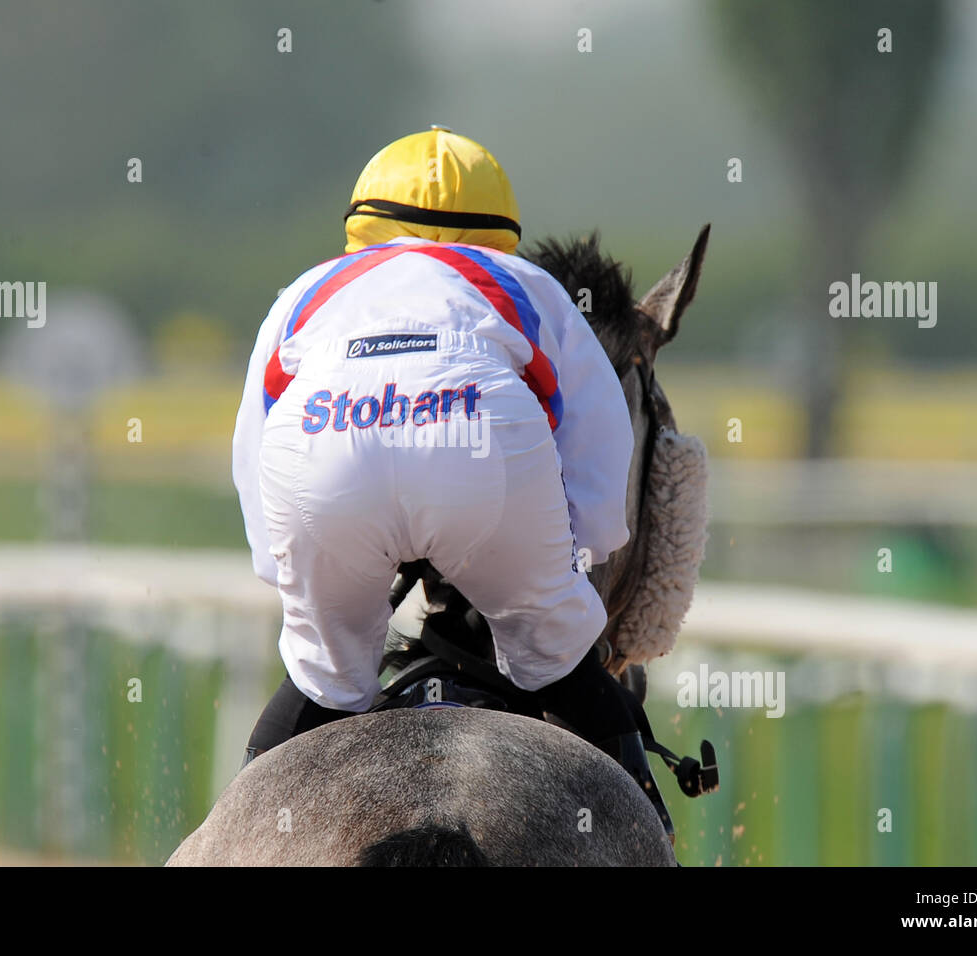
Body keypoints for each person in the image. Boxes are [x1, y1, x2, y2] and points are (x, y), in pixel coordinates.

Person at [231, 127, 664, 812]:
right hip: (482, 461)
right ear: (498, 231)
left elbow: (255, 450)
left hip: (324, 467)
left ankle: (241, 817)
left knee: (324, 678)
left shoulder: (306, 291)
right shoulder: (528, 284)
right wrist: (571, 564)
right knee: (559, 661)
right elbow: (600, 437)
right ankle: (652, 825)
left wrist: (299, 583)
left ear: (364, 223)